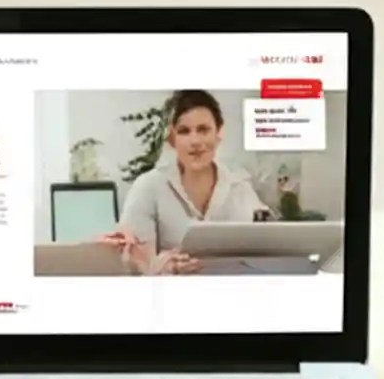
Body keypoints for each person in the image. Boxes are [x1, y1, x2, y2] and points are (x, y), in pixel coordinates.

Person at [100, 89, 272, 275]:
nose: (195, 141)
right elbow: (131, 270)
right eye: (184, 131)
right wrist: (162, 269)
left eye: (203, 130)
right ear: (172, 139)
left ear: (219, 133)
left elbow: (263, 255)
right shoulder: (147, 188)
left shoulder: (240, 187)